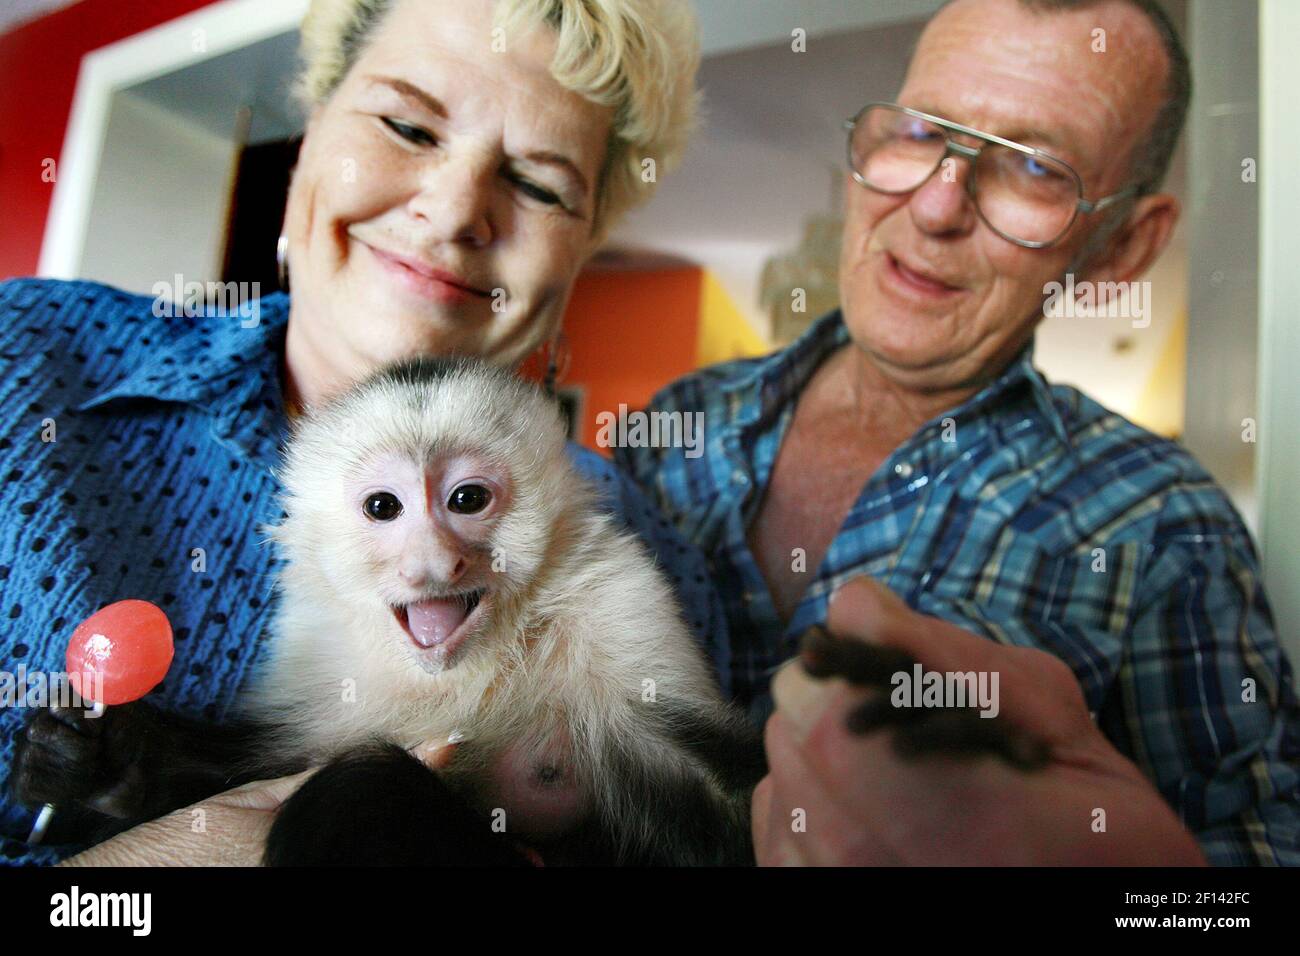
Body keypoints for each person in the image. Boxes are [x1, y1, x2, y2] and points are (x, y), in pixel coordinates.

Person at [0, 0, 712, 866]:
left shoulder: (645, 552)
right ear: (308, 135)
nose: (454, 212)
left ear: (583, 249)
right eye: (407, 126)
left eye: (537, 184)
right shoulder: (28, 357)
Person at [618, 0, 1300, 865]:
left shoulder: (1169, 528)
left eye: (1034, 167)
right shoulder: (674, 424)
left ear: (1123, 245)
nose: (938, 205)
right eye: (917, 129)